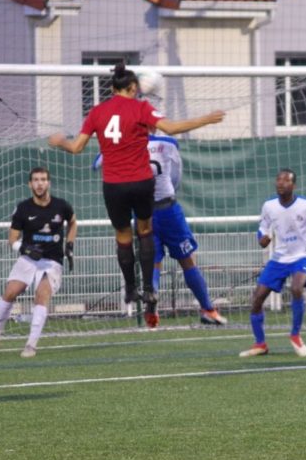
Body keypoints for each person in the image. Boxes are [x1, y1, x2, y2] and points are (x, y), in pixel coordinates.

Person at [49, 63, 224, 324]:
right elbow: (171, 129)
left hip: (114, 186)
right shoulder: (143, 109)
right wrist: (206, 119)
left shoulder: (97, 111)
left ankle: (130, 288)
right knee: (146, 234)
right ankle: (154, 292)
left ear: (111, 88)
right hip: (145, 186)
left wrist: (60, 140)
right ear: (133, 88)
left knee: (123, 237)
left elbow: (76, 147)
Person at [94, 133, 226, 329]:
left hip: (143, 213)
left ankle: (152, 309)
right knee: (187, 261)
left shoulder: (123, 144)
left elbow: (97, 163)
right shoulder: (167, 143)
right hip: (168, 210)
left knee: (153, 263)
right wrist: (167, 189)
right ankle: (207, 309)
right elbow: (176, 175)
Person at [0, 167, 77, 358]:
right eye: (36, 180)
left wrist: (69, 245)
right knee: (11, 291)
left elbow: (73, 222)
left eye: (43, 179)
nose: (40, 183)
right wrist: (27, 249)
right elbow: (12, 239)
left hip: (52, 261)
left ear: (49, 183)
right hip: (29, 259)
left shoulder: (61, 206)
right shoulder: (23, 208)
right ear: (30, 184)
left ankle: (31, 344)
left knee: (42, 295)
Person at [239, 169, 306, 358]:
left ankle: (295, 335)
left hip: (303, 256)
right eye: (278, 180)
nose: (280, 183)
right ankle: (260, 344)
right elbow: (262, 228)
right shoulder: (269, 206)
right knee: (257, 298)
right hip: (279, 258)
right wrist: (262, 238)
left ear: (294, 185)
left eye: (285, 180)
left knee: (297, 288)